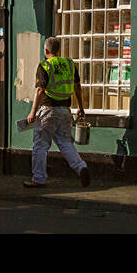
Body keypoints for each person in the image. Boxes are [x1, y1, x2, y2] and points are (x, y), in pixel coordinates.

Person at [24, 36, 90, 188]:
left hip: (48, 110)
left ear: (46, 50)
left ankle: (38, 179)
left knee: (40, 145)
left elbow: (40, 90)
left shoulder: (44, 66)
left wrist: (32, 112)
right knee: (66, 143)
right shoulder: (69, 64)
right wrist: (80, 107)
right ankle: (81, 167)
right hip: (65, 111)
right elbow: (77, 87)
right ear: (57, 49)